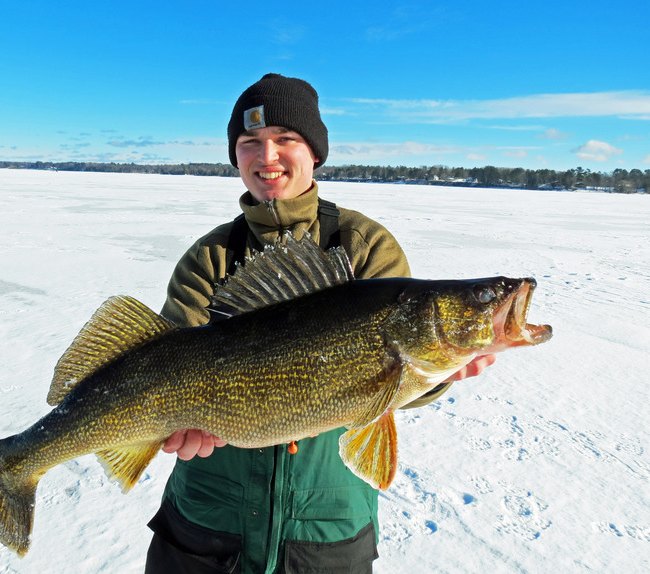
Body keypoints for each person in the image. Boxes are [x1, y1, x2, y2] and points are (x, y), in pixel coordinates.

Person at [144, 73, 495, 574]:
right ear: (236, 156)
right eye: (250, 143)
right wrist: (170, 426)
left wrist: (436, 375)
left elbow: (397, 379)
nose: (267, 157)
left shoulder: (365, 245)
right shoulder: (211, 256)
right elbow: (161, 362)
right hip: (207, 518)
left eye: (285, 139)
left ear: (315, 152)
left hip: (325, 527)